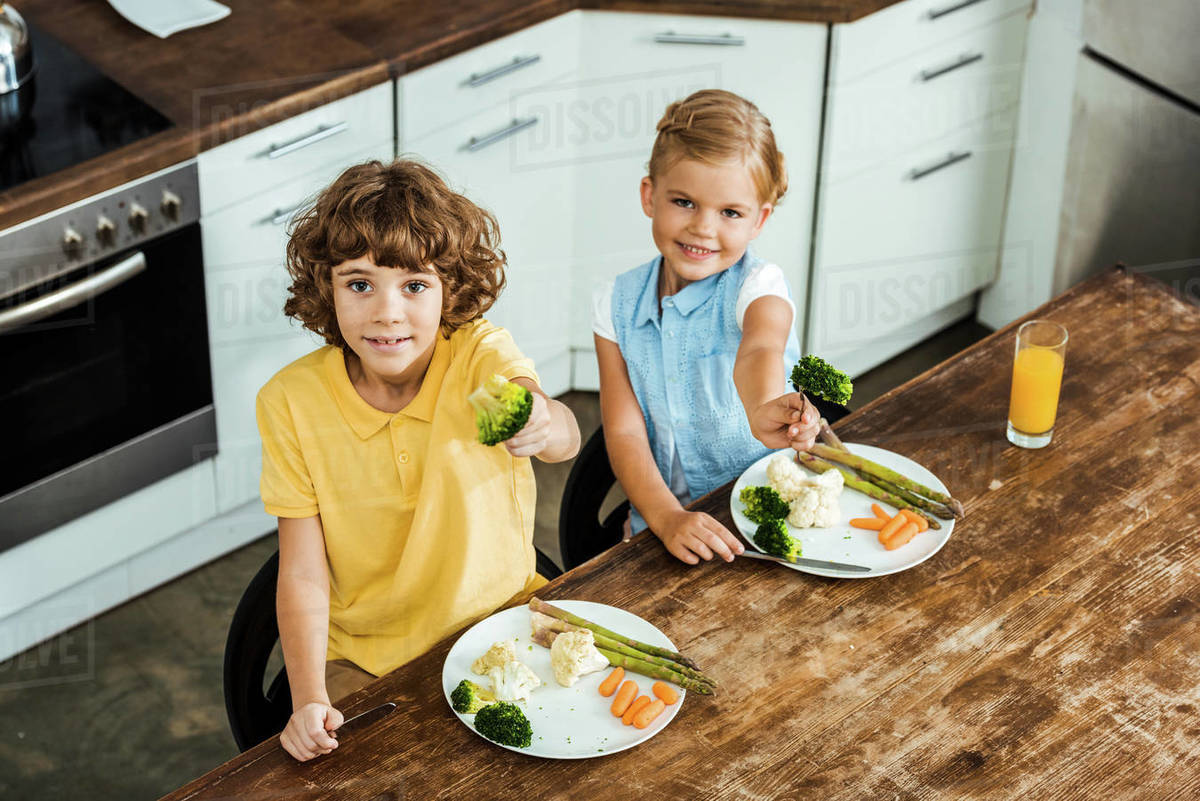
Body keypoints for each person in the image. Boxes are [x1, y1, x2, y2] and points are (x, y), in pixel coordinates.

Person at [257, 160, 581, 762]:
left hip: (503, 622)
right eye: (359, 284)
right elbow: (301, 572)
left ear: (449, 290)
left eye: (414, 286)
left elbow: (563, 436)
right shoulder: (290, 403)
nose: (387, 313)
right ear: (325, 288)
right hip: (366, 659)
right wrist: (307, 697)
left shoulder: (475, 356)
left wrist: (542, 419)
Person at [593, 89, 819, 566]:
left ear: (759, 220)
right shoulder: (613, 305)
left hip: (765, 525)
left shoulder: (759, 286)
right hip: (662, 524)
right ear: (649, 196)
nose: (703, 228)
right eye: (684, 201)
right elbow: (626, 434)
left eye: (730, 213)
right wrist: (665, 517)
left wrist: (762, 407)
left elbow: (761, 348)